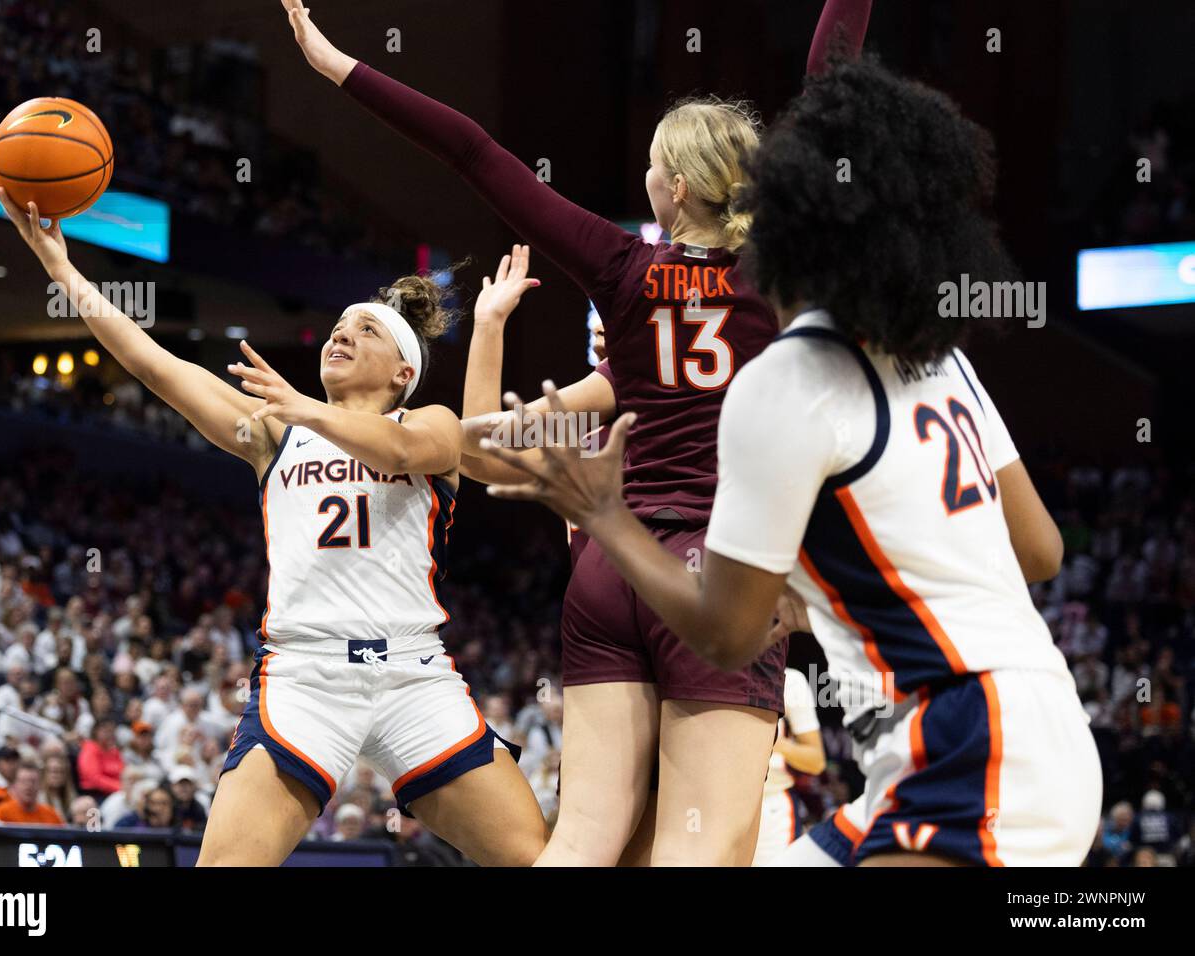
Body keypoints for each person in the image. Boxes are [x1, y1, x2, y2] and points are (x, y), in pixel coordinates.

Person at [280, 0, 874, 866]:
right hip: (720, 573)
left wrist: (340, 68)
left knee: (584, 841)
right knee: (696, 851)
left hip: (609, 567)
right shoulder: (777, 266)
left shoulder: (620, 266)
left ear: (672, 186)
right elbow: (830, 80)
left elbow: (473, 152)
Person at [480, 57, 1103, 866]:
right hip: (1023, 721)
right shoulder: (941, 358)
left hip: (965, 747)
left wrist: (604, 514)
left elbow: (725, 630)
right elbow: (1042, 552)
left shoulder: (789, 380)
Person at [0, 185, 546, 867]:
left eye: (364, 329)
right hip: (304, 674)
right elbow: (151, 363)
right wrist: (61, 268)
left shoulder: (423, 423)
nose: (341, 333)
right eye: (339, 325)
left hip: (414, 675)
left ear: (405, 370)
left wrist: (307, 407)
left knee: (538, 860)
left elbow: (402, 453)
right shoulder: (277, 429)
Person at [752, 667, 825, 865]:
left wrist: (772, 739)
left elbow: (816, 761)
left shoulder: (790, 680)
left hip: (771, 805)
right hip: (716, 801)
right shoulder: (706, 671)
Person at [0, 762, 64, 826]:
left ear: (40, 785)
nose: (28, 786)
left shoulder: (51, 816)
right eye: (23, 782)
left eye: (33, 781)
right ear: (14, 785)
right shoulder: (1, 813)